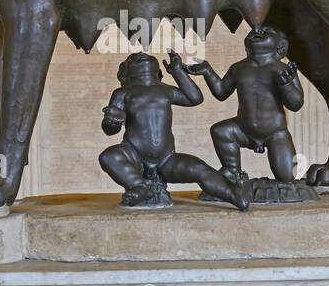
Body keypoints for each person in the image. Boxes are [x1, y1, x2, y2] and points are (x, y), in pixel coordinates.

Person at [99, 51, 250, 211]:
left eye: (144, 55)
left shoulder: (166, 90)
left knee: (199, 168)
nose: (141, 54)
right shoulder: (123, 93)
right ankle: (139, 186)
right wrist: (113, 120)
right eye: (134, 58)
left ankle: (235, 195)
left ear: (158, 71)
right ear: (126, 72)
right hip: (134, 154)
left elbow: (194, 98)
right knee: (109, 156)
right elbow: (109, 130)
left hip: (167, 159)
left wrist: (178, 71)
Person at [185, 25, 304, 185]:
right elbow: (221, 92)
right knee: (221, 131)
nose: (257, 31)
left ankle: (284, 177)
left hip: (275, 132)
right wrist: (208, 71)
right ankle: (233, 171)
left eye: (268, 31)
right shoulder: (238, 68)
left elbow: (295, 104)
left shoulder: (282, 70)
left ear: (280, 47)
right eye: (253, 31)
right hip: (243, 129)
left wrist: (286, 84)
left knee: (287, 178)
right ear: (246, 46)